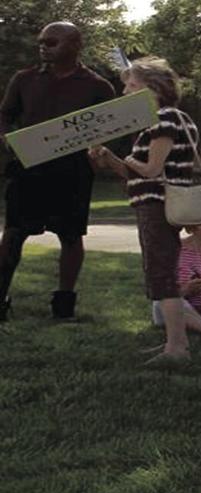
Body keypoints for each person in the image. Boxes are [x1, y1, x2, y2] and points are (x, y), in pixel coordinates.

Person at [0, 22, 115, 321]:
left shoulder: (98, 86)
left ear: (76, 45)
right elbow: (4, 115)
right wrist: (8, 140)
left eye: (51, 42)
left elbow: (109, 129)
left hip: (72, 173)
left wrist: (98, 150)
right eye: (41, 41)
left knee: (71, 236)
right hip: (28, 170)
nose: (43, 46)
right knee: (13, 234)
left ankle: (63, 305)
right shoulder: (23, 79)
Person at [89, 57, 200, 367]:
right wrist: (108, 158)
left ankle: (177, 348)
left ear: (154, 88)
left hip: (157, 206)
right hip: (154, 203)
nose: (125, 91)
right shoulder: (169, 119)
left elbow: (150, 170)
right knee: (159, 270)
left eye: (131, 85)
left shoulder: (164, 118)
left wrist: (129, 159)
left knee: (162, 273)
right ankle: (174, 343)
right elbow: (134, 175)